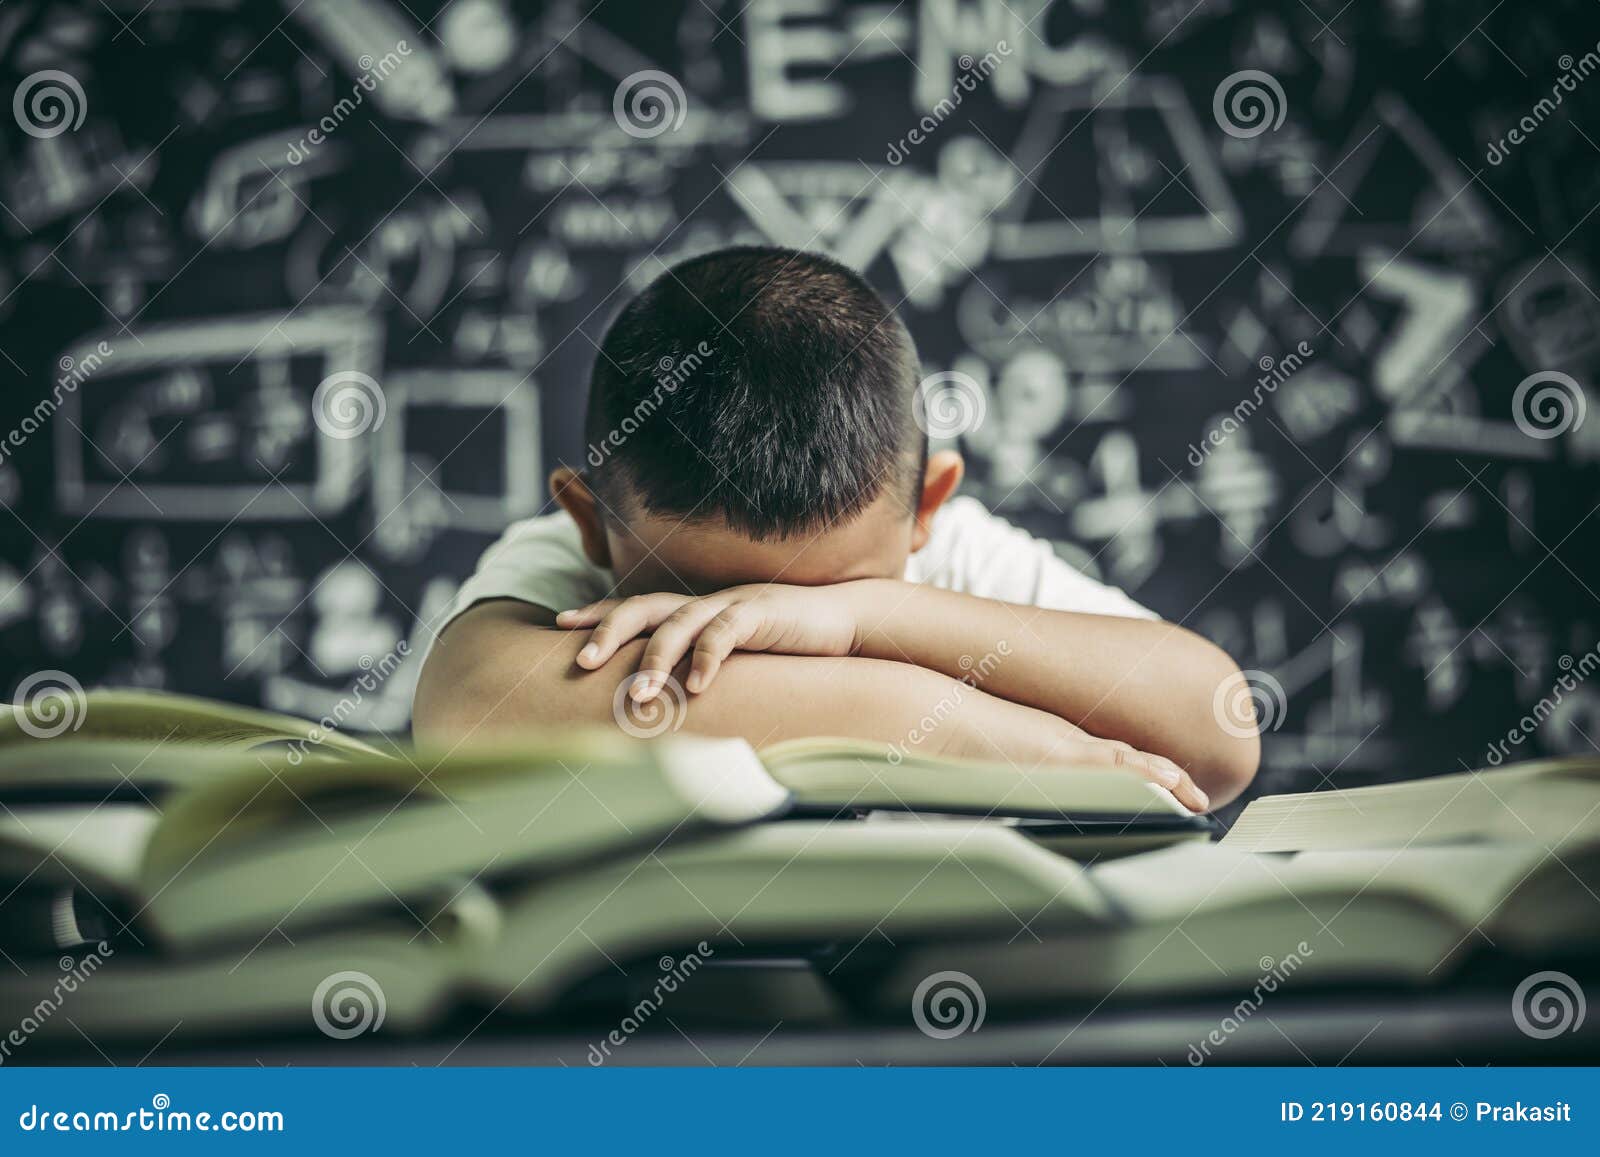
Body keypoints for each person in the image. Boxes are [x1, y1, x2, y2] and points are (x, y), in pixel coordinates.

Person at [413, 247, 1258, 810]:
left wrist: (866, 621)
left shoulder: (959, 556)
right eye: (706, 608)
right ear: (591, 525)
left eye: (823, 597)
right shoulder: (561, 569)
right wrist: (951, 720)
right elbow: (467, 707)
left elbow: (1219, 732)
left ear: (927, 508)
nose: (765, 635)